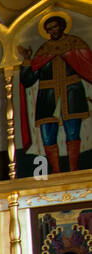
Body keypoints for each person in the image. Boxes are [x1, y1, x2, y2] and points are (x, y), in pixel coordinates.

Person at [20, 14, 92, 172]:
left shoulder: (75, 44)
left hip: (72, 94)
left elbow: (88, 68)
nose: (53, 31)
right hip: (48, 98)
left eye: (55, 27)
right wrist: (27, 60)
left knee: (73, 132)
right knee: (48, 136)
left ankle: (74, 168)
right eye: (49, 29)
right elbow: (28, 80)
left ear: (62, 26)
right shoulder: (44, 51)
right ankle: (55, 171)